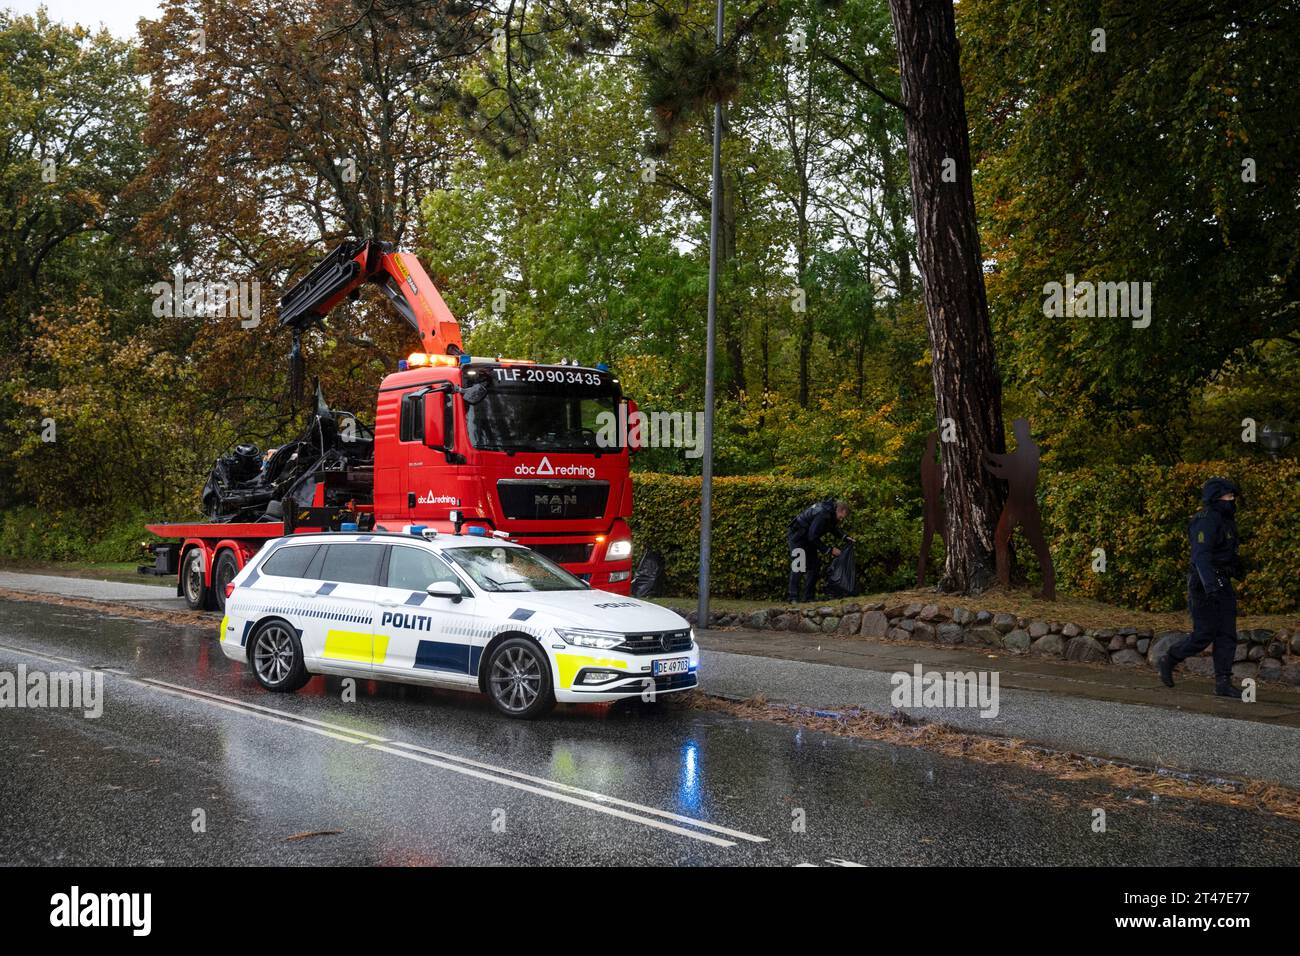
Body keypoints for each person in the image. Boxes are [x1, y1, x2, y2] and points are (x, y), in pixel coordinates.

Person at [1158, 477, 1244, 698]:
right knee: (1204, 634)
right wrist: (1209, 586)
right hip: (1203, 584)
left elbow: (1227, 552)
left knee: (1227, 634)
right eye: (1228, 495)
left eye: (1232, 495)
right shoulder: (1205, 520)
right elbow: (1201, 556)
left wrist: (1237, 569)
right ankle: (1169, 658)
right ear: (1216, 497)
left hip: (1222, 583)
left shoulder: (1226, 520)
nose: (1231, 499)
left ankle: (1223, 682)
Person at [787, 498, 849, 603]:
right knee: (799, 565)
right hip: (798, 536)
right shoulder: (823, 513)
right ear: (839, 510)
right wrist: (829, 550)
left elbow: (831, 527)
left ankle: (808, 597)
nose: (840, 519)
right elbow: (812, 536)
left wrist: (844, 537)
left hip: (808, 537)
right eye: (841, 517)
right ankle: (793, 598)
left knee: (814, 566)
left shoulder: (830, 512)